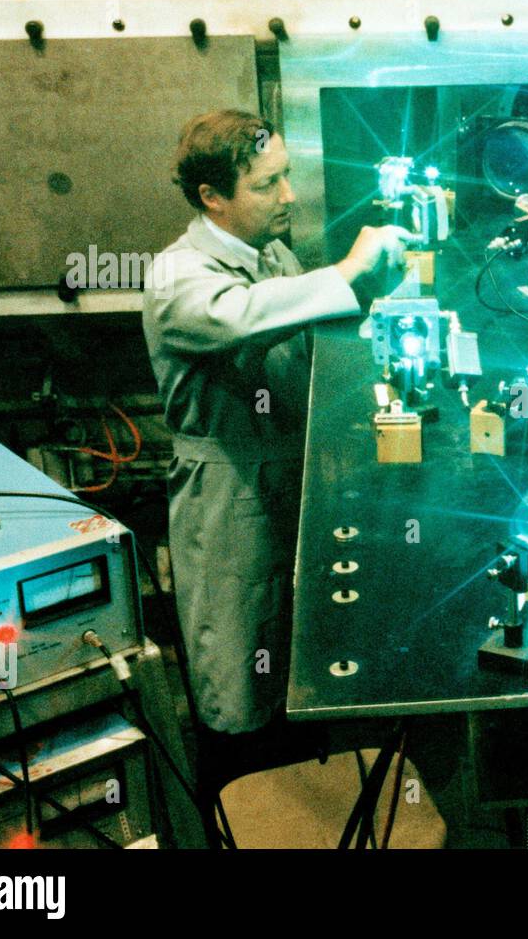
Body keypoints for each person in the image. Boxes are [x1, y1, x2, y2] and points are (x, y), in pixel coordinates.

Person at [142, 109, 419, 750]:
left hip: (290, 468)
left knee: (299, 646)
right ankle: (248, 799)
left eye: (286, 177)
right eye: (267, 185)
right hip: (229, 488)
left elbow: (305, 330)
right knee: (239, 656)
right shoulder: (176, 277)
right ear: (212, 197)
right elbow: (244, 317)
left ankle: (310, 774)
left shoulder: (271, 252)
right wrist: (350, 269)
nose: (288, 196)